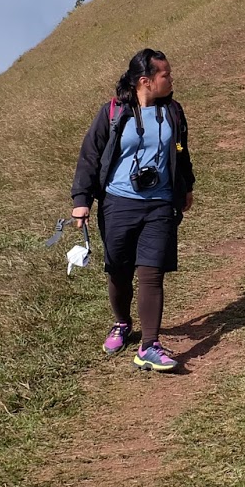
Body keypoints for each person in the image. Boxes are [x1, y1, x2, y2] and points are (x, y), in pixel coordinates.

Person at [71, 48, 196, 373]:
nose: (171, 79)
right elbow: (90, 155)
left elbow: (180, 150)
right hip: (118, 204)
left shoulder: (174, 112)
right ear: (146, 80)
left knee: (151, 273)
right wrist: (81, 200)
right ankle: (122, 323)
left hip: (159, 204)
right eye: (165, 75)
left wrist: (187, 185)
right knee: (119, 272)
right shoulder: (113, 113)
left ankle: (149, 346)